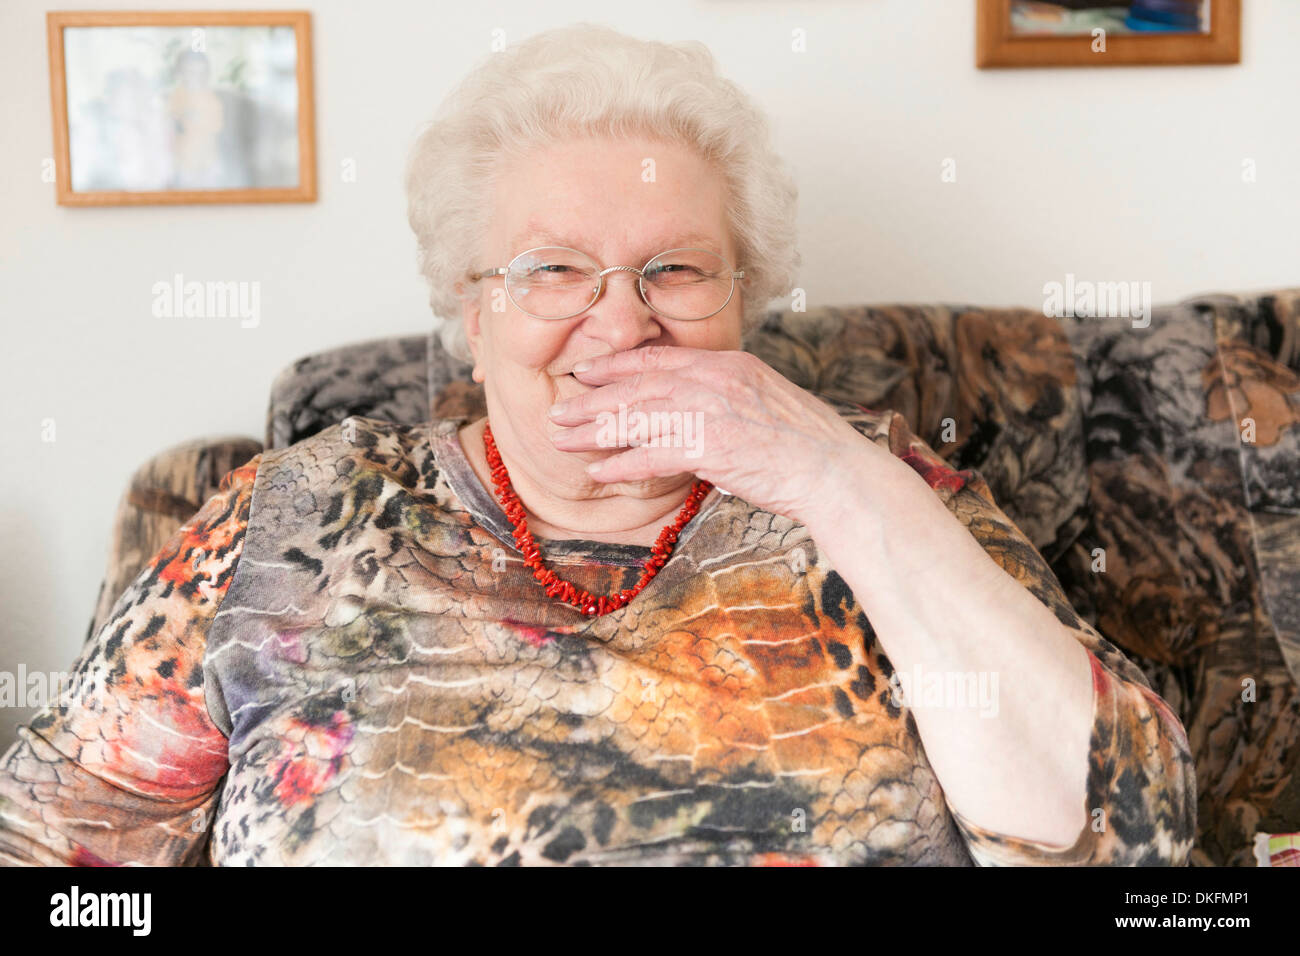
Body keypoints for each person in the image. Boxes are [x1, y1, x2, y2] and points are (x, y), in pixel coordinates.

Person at [0, 22, 1194, 866]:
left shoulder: (883, 491)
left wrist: (832, 475)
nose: (620, 322)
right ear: (471, 314)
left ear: (745, 298)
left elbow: (1124, 840)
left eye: (674, 268)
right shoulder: (290, 516)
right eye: (554, 270)